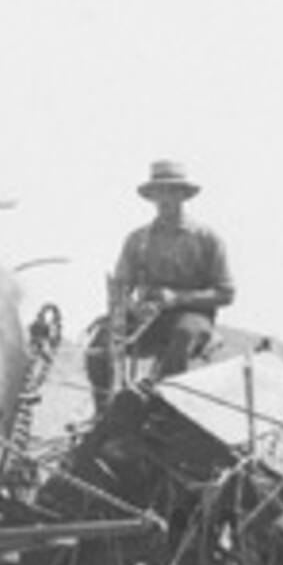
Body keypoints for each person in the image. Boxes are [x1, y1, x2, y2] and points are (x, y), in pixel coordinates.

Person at [84, 160, 235, 410]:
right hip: (148, 317)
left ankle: (161, 411)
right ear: (152, 197)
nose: (165, 199)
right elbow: (122, 287)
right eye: (160, 192)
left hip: (192, 317)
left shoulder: (207, 238)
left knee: (183, 336)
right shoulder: (137, 240)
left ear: (183, 196)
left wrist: (177, 298)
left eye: (172, 192)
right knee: (100, 345)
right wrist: (128, 307)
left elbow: (226, 293)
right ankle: (104, 414)